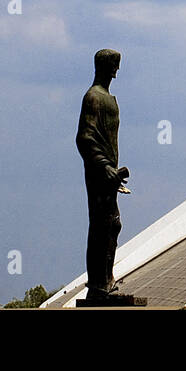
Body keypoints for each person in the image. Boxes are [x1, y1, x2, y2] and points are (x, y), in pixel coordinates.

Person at [76, 49, 130, 302]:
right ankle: (98, 285)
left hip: (110, 174)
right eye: (113, 65)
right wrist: (104, 166)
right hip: (100, 174)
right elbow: (84, 137)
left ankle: (106, 280)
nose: (116, 70)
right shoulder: (94, 97)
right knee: (101, 225)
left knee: (112, 225)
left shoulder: (109, 98)